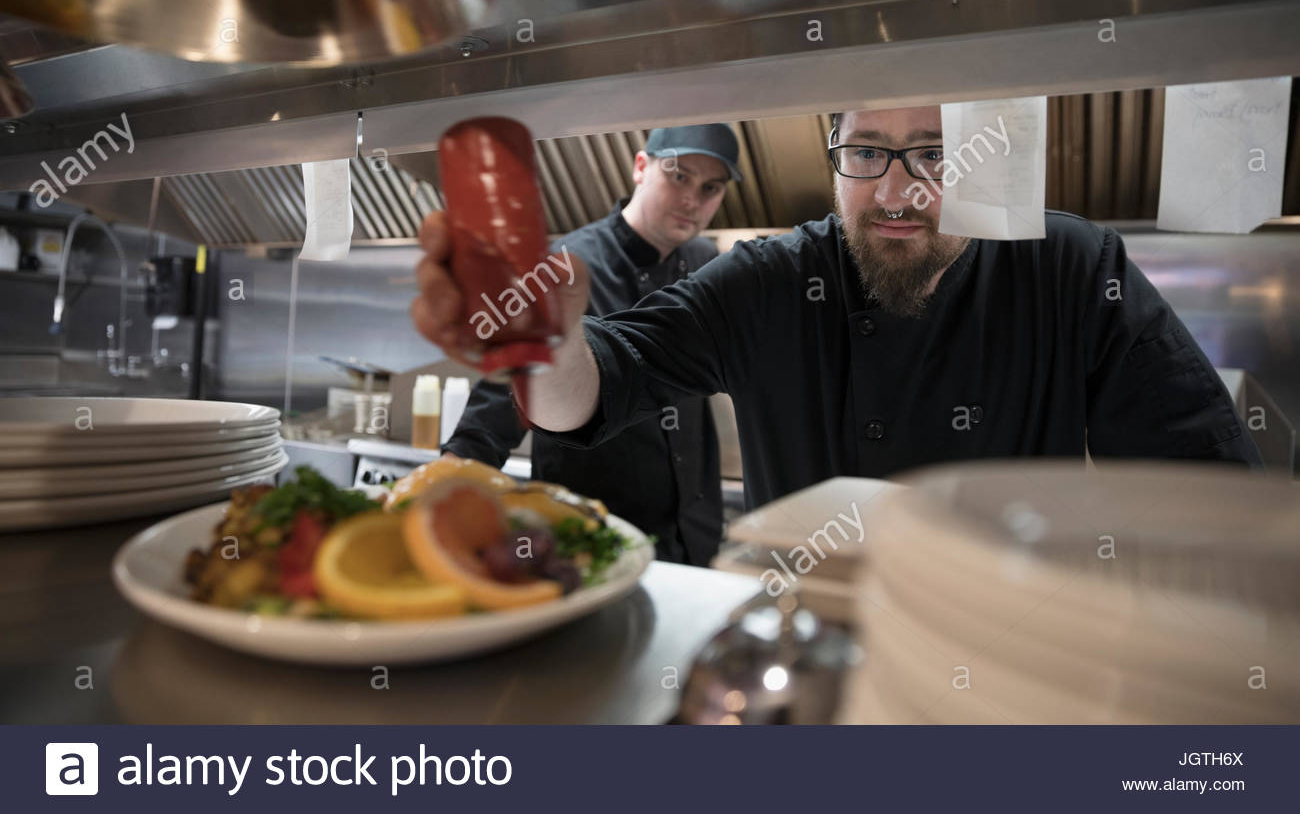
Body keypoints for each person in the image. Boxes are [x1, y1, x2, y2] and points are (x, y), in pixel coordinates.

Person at [413, 105, 1260, 511]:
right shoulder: (769, 281)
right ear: (834, 161)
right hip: (811, 672)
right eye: (866, 153)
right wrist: (551, 341)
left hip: (1009, 666)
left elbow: (1204, 490)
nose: (897, 190)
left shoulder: (1070, 268)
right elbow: (601, 387)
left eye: (931, 153)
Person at [439, 124, 741, 564]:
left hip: (691, 537)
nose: (692, 200)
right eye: (679, 176)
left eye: (710, 187)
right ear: (641, 167)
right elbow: (512, 384)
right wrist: (458, 468)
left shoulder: (705, 264)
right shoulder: (565, 268)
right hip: (590, 542)